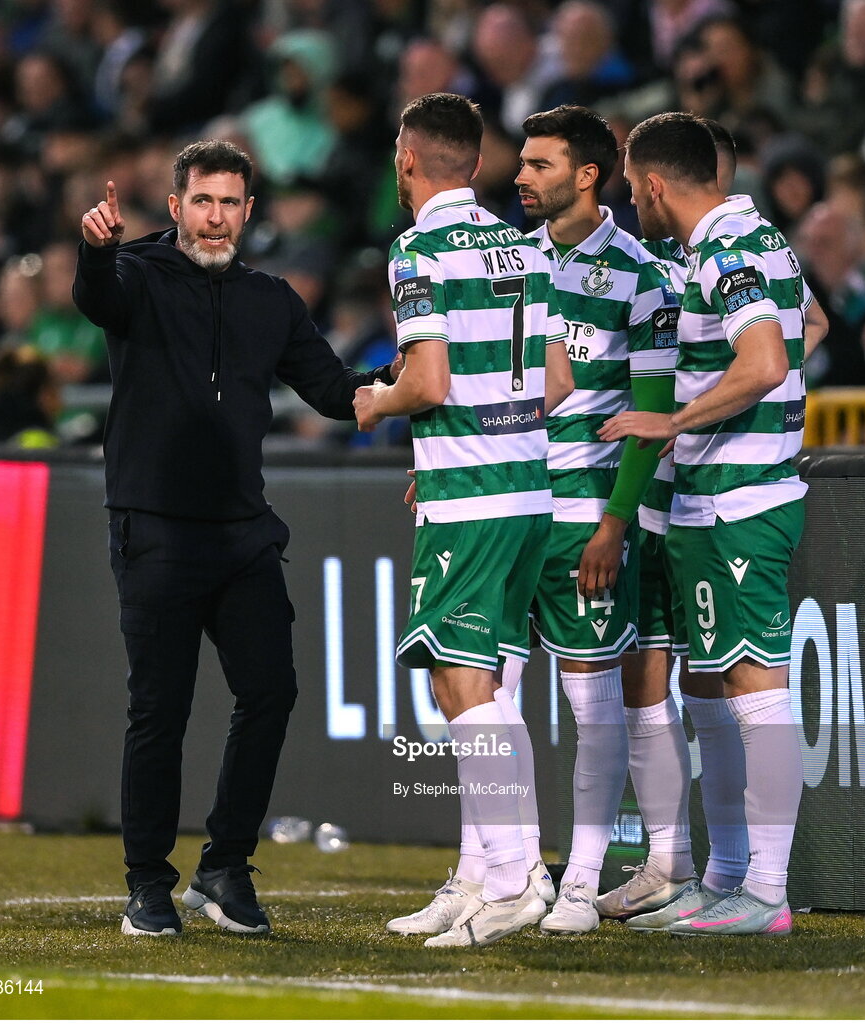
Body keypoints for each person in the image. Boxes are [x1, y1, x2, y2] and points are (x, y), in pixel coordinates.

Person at [73, 139, 396, 938]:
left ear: (249, 212)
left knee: (271, 693)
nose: (216, 217)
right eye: (202, 201)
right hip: (154, 530)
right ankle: (148, 882)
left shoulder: (271, 299)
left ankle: (224, 867)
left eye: (230, 203)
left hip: (243, 533)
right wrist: (94, 251)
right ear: (176, 205)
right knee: (160, 710)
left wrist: (407, 386)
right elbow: (97, 301)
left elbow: (330, 391)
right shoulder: (135, 277)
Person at [353, 92, 574, 948]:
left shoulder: (417, 249)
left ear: (406, 163)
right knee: (488, 685)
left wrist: (377, 402)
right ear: (476, 166)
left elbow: (428, 383)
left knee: (458, 684)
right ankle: (491, 874)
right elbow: (555, 384)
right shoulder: (526, 249)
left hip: (471, 499)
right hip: (530, 491)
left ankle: (518, 877)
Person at [601, 111, 821, 935]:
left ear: (655, 184)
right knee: (723, 685)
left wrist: (676, 419)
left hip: (739, 502)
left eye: (631, 186)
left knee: (755, 689)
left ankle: (765, 894)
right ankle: (728, 877)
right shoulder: (759, 242)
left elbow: (764, 360)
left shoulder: (725, 254)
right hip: (722, 497)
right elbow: (808, 330)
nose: (629, 199)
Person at [513, 105, 680, 935]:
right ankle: (501, 872)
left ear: (586, 174)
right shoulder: (513, 262)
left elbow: (653, 412)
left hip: (584, 514)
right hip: (505, 509)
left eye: (538, 163)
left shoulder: (641, 275)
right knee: (488, 697)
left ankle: (580, 877)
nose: (519, 176)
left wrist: (615, 523)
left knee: (593, 704)